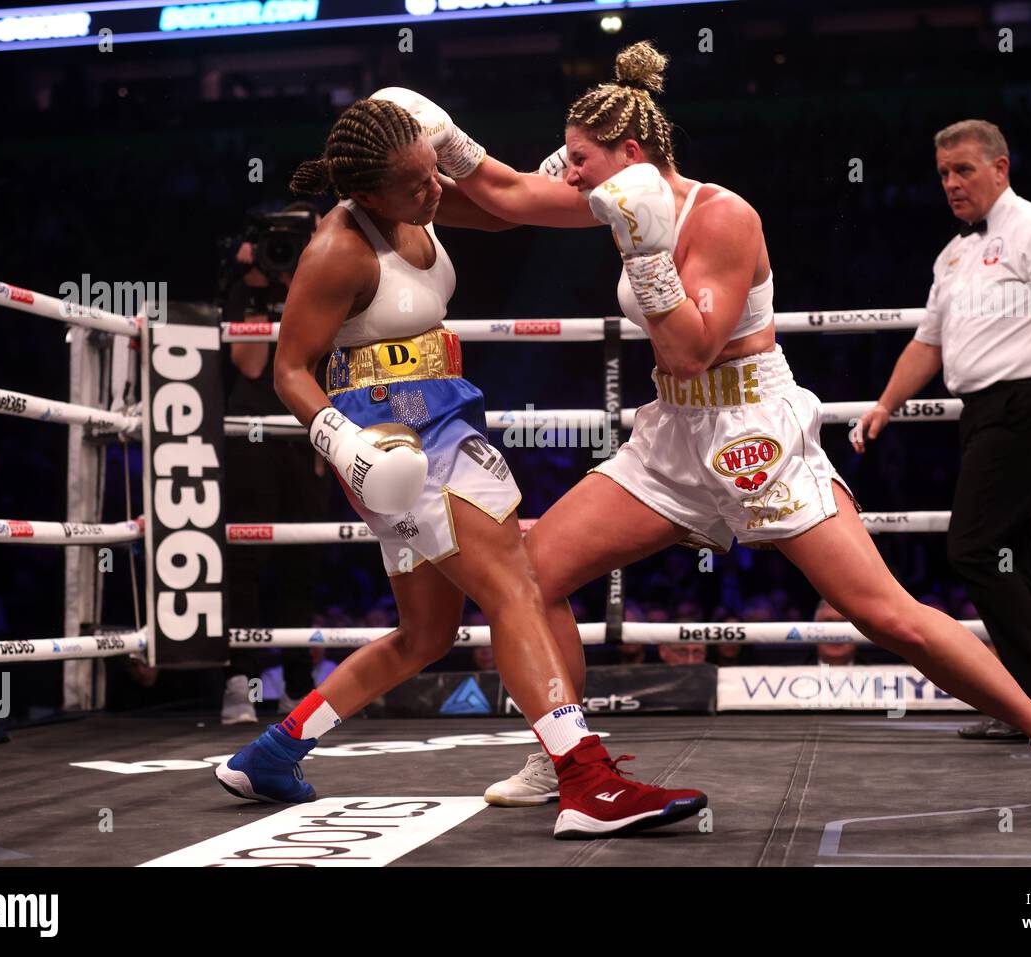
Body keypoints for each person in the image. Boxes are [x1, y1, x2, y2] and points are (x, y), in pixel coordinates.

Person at [387, 42, 1031, 818]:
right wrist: (444, 142)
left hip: (754, 428)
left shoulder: (723, 216)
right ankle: (566, 752)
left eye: (578, 160)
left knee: (883, 612)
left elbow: (691, 344)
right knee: (533, 579)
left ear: (630, 155)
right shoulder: (609, 193)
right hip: (672, 430)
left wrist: (646, 253)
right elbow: (505, 197)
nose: (565, 175)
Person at [215, 96, 706, 839]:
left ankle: (274, 752)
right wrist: (344, 445)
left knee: (427, 633)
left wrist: (487, 159)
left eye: (430, 172)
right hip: (392, 431)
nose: (433, 190)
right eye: (415, 185)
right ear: (368, 194)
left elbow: (507, 210)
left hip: (443, 412)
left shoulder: (423, 195)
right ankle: (585, 780)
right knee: (519, 583)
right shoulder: (336, 249)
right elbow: (289, 369)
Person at [853, 119, 1031, 741]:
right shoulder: (955, 252)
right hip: (982, 414)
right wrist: (884, 403)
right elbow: (928, 342)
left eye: (963, 169)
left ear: (1000, 167)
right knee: (1009, 553)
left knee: (972, 547)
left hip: (1028, 405)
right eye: (943, 173)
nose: (951, 183)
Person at [220, 202, 329, 724]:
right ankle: (239, 683)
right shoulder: (248, 287)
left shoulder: (325, 284)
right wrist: (261, 286)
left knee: (302, 561)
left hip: (303, 431)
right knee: (246, 560)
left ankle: (298, 688)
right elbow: (251, 362)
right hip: (251, 435)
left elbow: (323, 362)